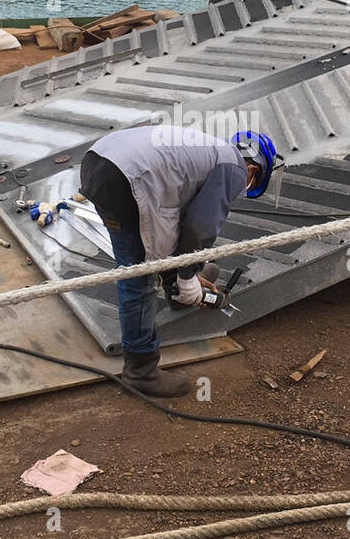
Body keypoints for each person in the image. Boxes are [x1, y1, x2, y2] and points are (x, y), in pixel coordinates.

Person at [79, 126, 284, 397]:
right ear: (254, 171)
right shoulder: (234, 168)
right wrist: (187, 278)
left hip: (99, 161)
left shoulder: (206, 152)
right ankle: (140, 370)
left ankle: (172, 288)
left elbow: (177, 220)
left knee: (141, 254)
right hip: (126, 178)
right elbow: (200, 227)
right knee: (138, 276)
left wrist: (187, 272)